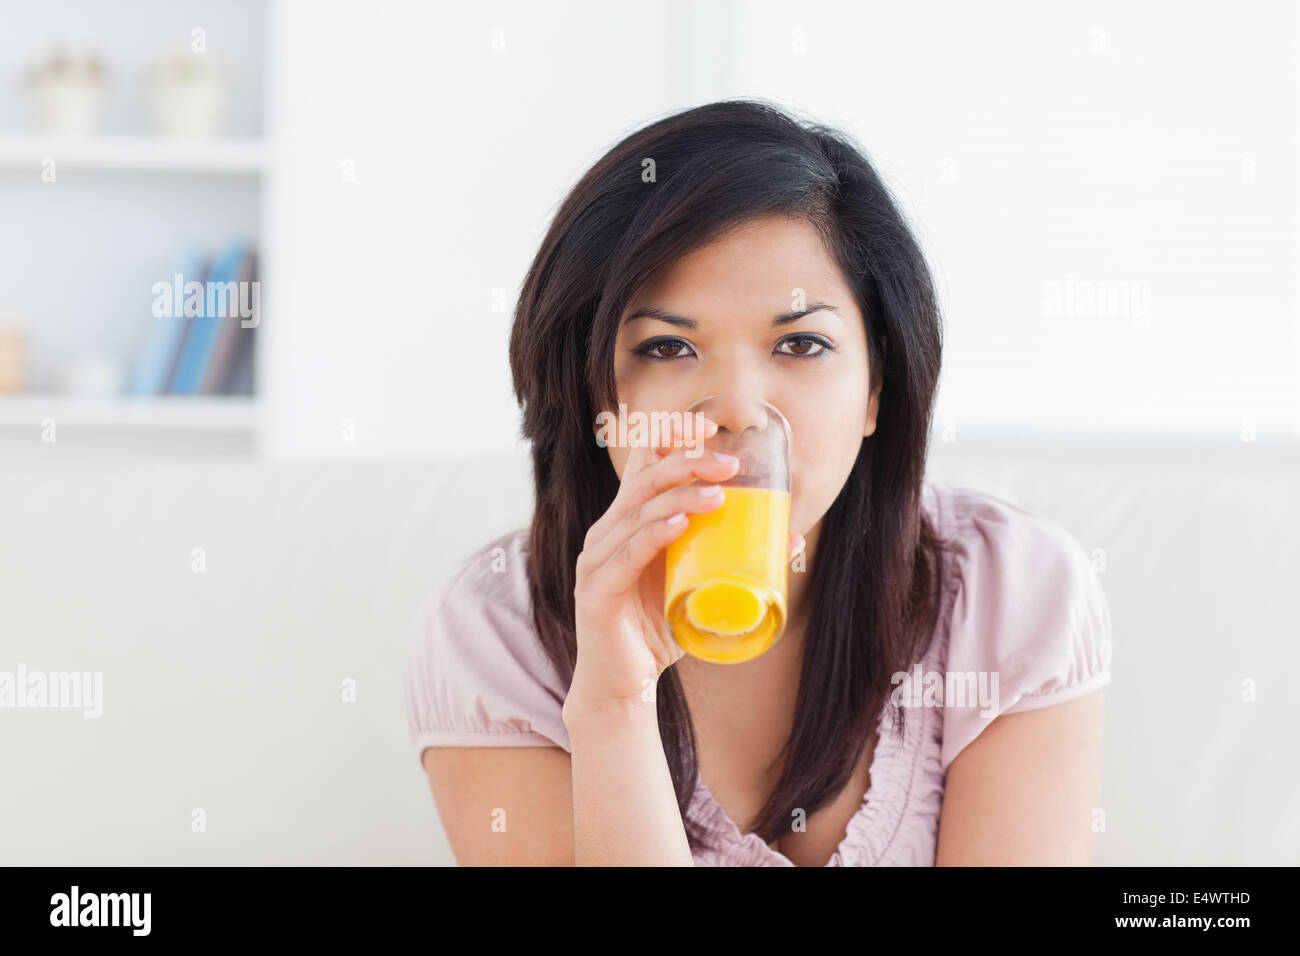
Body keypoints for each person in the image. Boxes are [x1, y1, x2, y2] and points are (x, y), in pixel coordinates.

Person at [404, 99, 1112, 866]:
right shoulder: (496, 634)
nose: (738, 408)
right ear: (594, 400)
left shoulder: (1011, 596)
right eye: (669, 347)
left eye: (802, 343)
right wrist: (614, 708)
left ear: (877, 387)